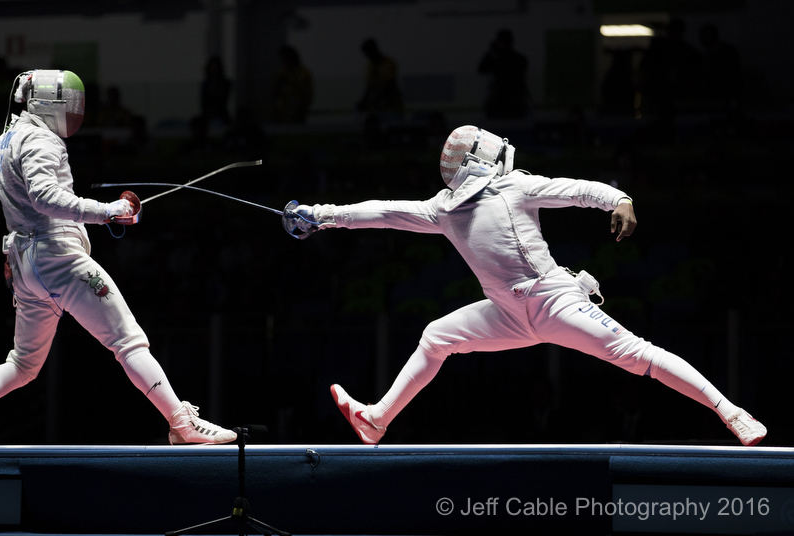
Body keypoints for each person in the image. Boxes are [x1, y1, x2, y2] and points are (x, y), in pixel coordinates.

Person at [291, 125, 767, 447]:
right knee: (437, 336)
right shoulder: (442, 208)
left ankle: (732, 413)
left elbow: (577, 188)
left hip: (554, 299)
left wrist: (618, 199)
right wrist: (322, 216)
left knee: (638, 355)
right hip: (503, 312)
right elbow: (384, 212)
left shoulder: (515, 186)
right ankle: (376, 422)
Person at [0, 69, 236, 446]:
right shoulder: (41, 139)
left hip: (25, 266)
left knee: (23, 364)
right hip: (59, 257)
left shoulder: (6, 142)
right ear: (45, 102)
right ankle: (180, 422)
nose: (75, 112)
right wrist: (107, 211)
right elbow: (44, 197)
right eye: (69, 104)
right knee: (128, 342)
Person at [477, 29, 529, 119]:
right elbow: (482, 69)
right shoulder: (517, 59)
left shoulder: (517, 59)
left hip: (513, 101)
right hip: (501, 102)